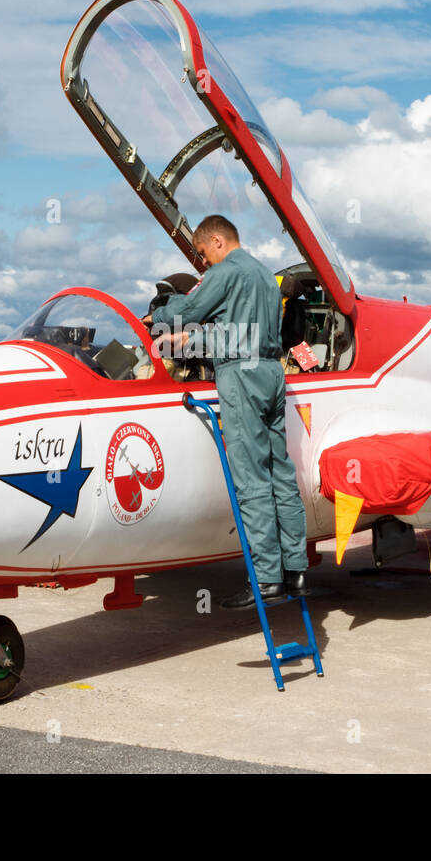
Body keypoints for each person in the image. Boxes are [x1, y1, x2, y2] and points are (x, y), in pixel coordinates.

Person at [143, 215, 308, 609]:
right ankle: (296, 571)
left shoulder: (227, 272)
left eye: (202, 254)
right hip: (271, 372)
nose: (203, 264)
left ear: (217, 240)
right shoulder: (266, 276)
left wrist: (160, 315)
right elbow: (241, 328)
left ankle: (266, 580)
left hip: (240, 375)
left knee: (250, 479)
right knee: (281, 473)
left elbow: (193, 306)